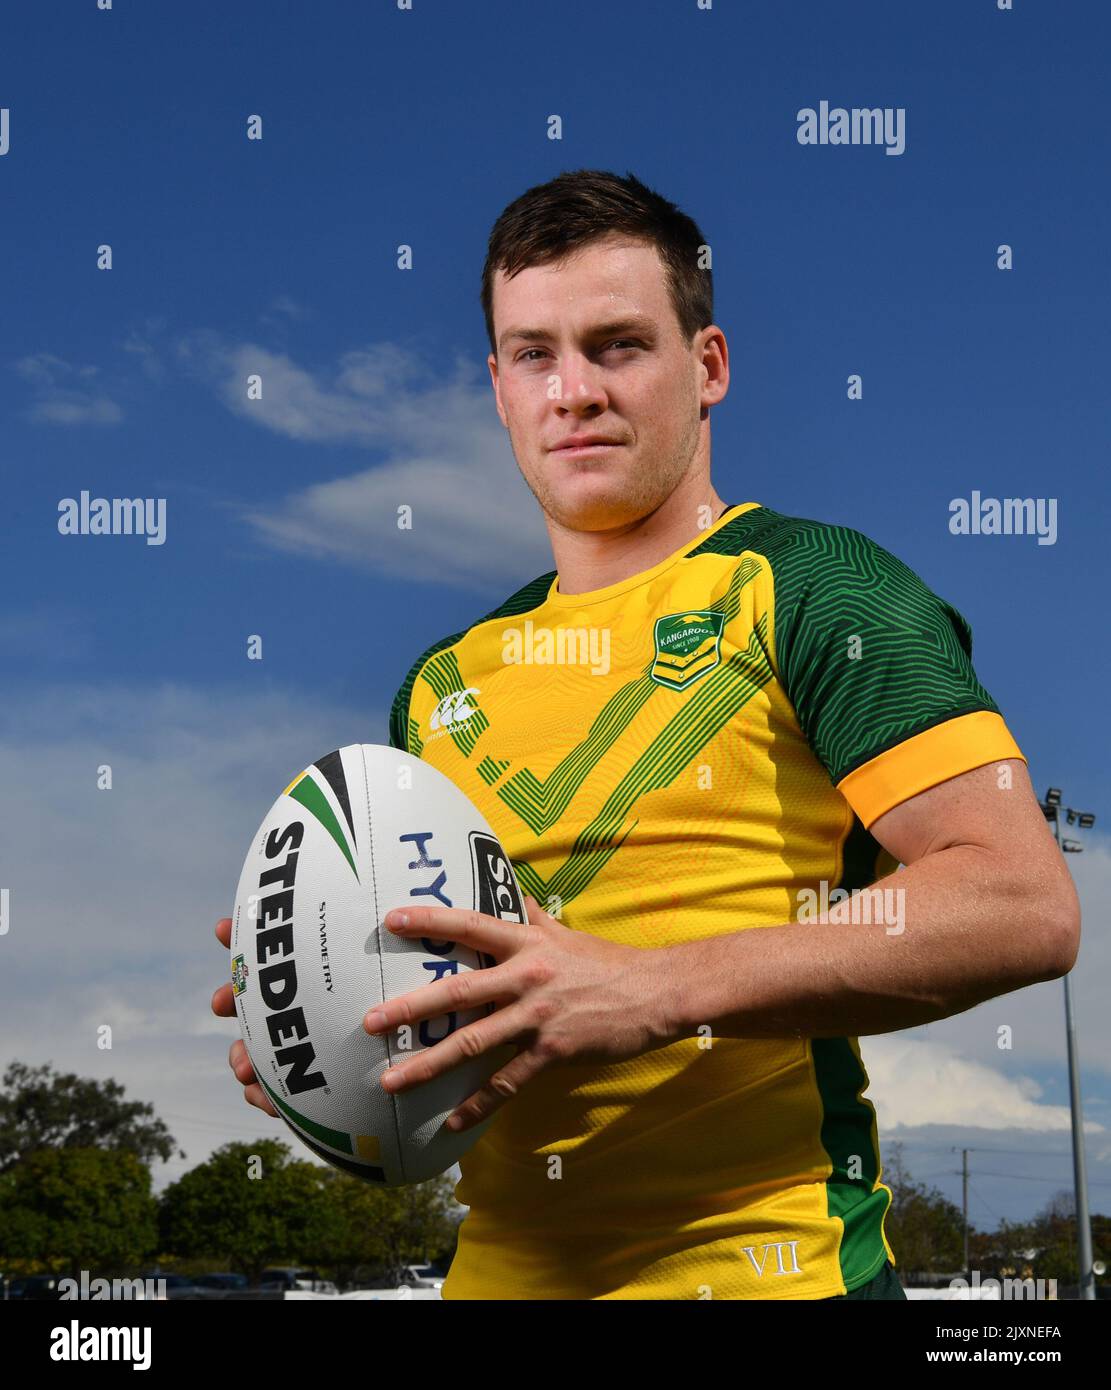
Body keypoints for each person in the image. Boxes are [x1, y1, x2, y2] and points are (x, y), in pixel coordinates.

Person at [212, 170, 1080, 1300]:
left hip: (775, 1272)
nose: (572, 391)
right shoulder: (439, 684)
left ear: (707, 366)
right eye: (534, 354)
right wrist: (326, 1045)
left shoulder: (818, 587)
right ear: (497, 386)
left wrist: (651, 988)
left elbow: (1021, 902)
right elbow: (470, 1007)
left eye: (617, 345)